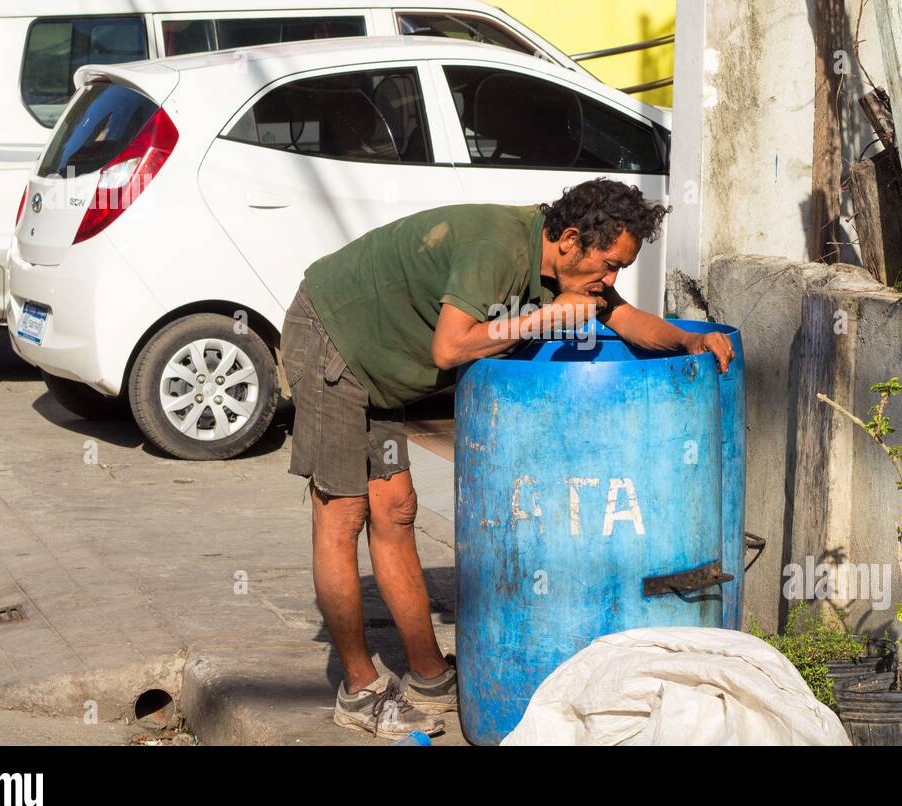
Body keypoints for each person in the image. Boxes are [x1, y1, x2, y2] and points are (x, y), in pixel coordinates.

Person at [280, 178, 734, 738]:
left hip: (383, 376)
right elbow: (449, 347)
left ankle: (427, 675)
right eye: (609, 265)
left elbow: (626, 320)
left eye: (620, 269)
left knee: (395, 509)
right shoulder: (496, 248)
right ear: (570, 238)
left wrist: (689, 341)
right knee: (343, 513)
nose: (610, 280)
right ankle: (360, 689)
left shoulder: (567, 271)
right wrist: (544, 320)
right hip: (333, 341)